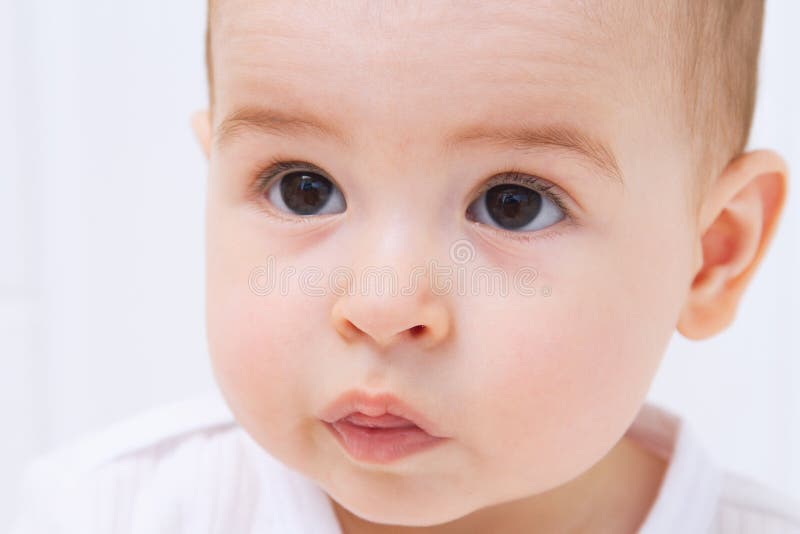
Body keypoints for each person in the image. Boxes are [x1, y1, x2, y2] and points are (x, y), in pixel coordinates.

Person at [11, 1, 800, 532]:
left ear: (712, 254)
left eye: (512, 204)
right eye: (303, 187)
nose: (381, 306)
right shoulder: (95, 513)